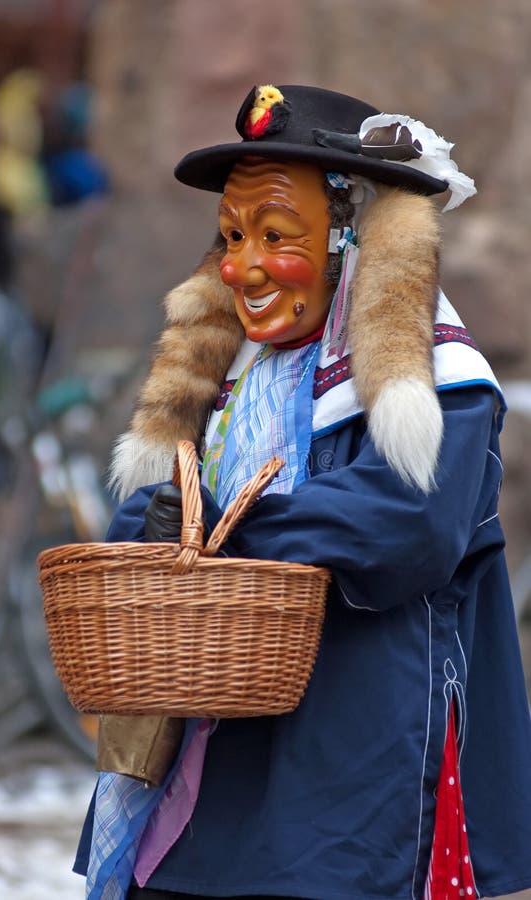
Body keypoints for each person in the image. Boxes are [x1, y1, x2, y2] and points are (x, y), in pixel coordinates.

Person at [74, 85, 531, 900]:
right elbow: (146, 519)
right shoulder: (228, 378)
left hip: (349, 783)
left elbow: (407, 526)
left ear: (353, 239)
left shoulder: (437, 383)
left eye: (275, 235)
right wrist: (158, 534)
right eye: (230, 235)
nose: (241, 266)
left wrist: (224, 531)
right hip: (201, 769)